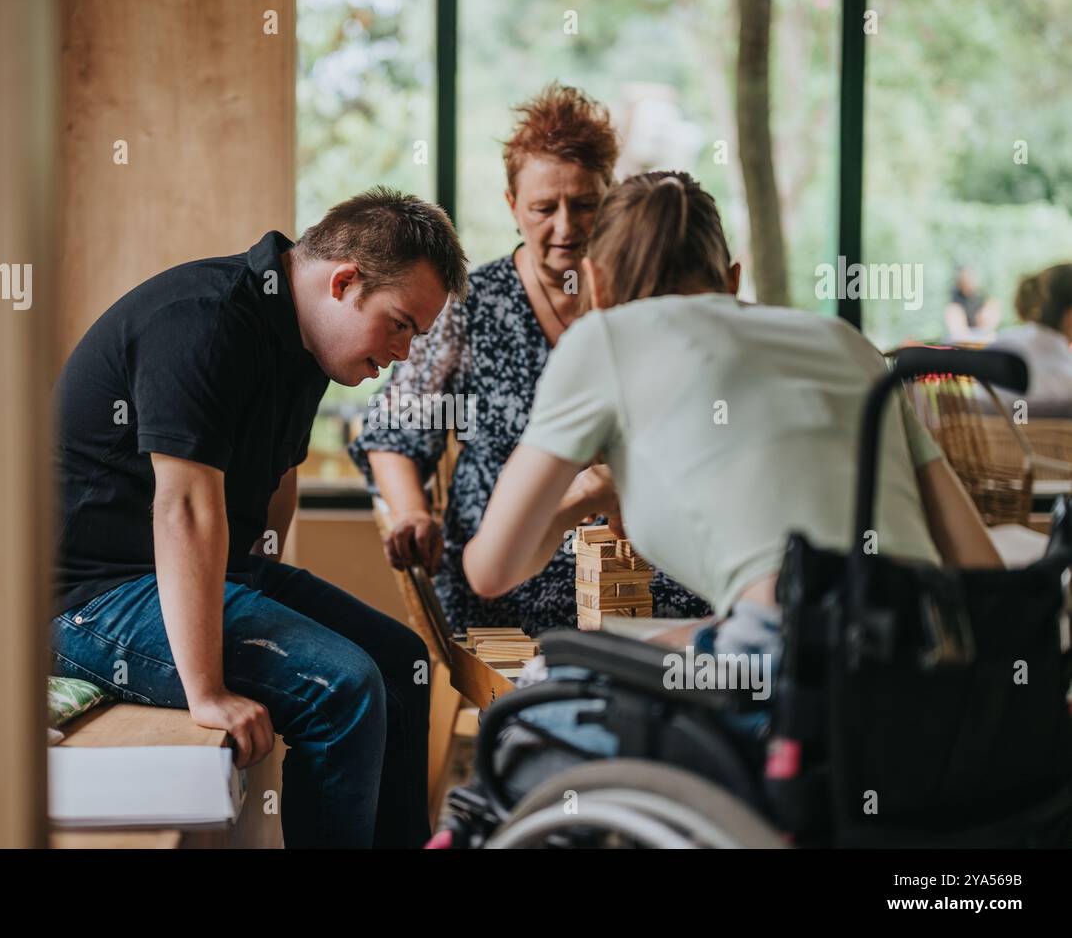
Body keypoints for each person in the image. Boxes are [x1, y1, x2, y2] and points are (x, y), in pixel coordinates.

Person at [463, 170, 1001, 747]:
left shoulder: (603, 339)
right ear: (733, 278)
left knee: (525, 718)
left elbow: (492, 569)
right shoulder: (849, 343)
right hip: (928, 667)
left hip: (788, 675)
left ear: (592, 279)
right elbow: (980, 565)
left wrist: (584, 500)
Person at [50, 187, 468, 848]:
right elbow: (184, 508)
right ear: (345, 282)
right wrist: (208, 690)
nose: (405, 353)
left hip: (201, 575)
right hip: (95, 600)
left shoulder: (303, 341)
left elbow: (278, 482)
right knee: (344, 686)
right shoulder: (205, 321)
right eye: (402, 324)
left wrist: (269, 604)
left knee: (398, 660)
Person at [349, 84, 710, 636]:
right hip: (509, 568)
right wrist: (414, 514)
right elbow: (395, 433)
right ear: (512, 205)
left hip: (632, 564)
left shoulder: (643, 300)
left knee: (702, 619)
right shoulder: (471, 306)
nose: (564, 228)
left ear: (611, 200)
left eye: (585, 204)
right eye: (543, 208)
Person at [987, 263, 1072, 410]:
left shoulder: (1002, 342)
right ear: (1069, 315)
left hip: (979, 430)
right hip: (1036, 432)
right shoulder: (1062, 374)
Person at [944, 263, 1001, 341]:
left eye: (970, 276)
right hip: (964, 339)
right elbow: (958, 330)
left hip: (982, 338)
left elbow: (989, 323)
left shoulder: (984, 297)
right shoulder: (955, 304)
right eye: (965, 277)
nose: (968, 280)